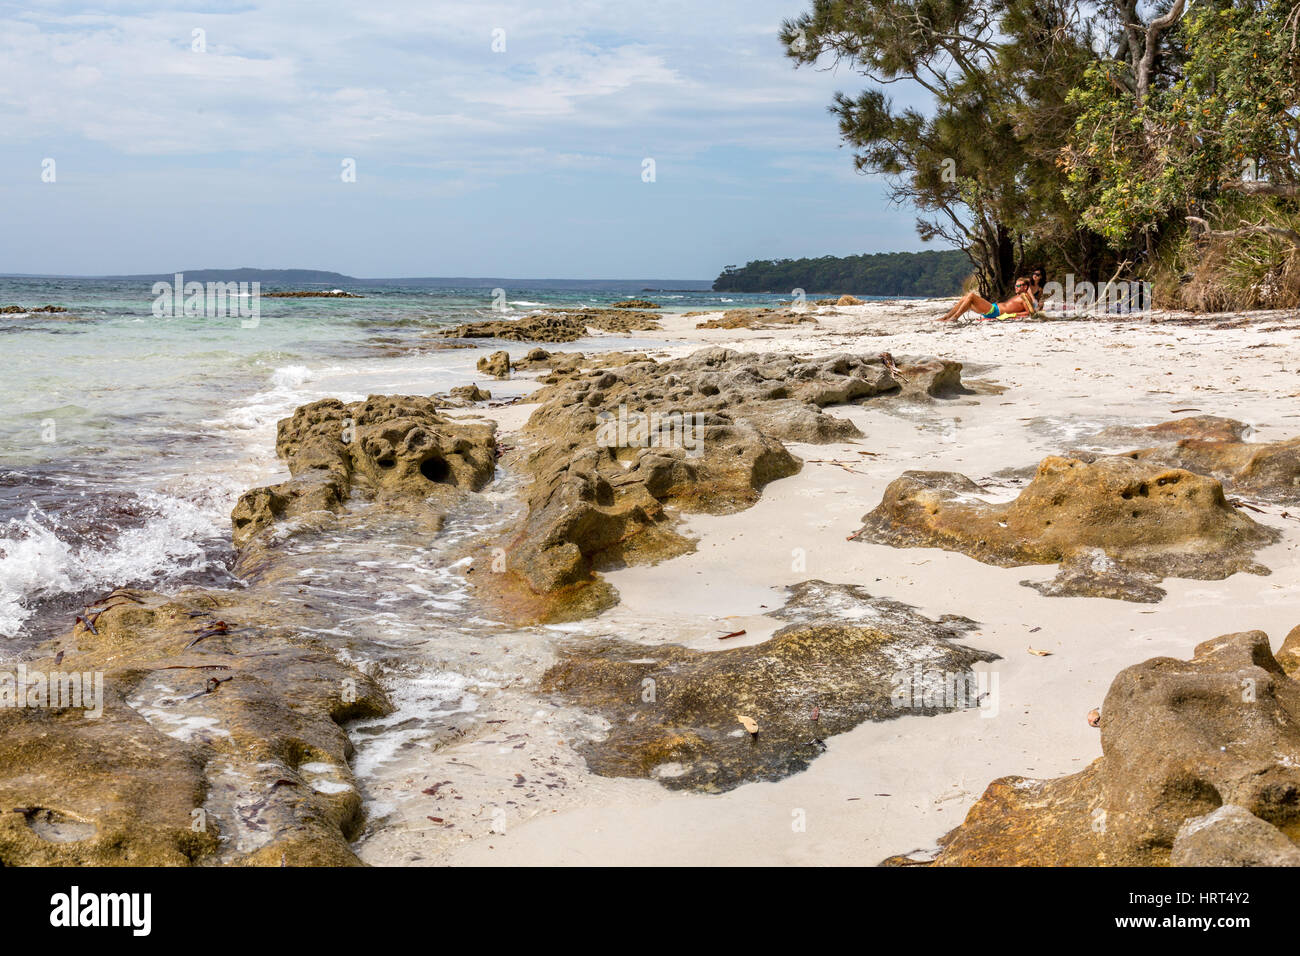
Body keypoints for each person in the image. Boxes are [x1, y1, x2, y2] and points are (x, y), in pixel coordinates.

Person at [938, 276, 1037, 322]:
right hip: (994, 309)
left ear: (1025, 287)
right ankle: (946, 317)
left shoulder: (1024, 297)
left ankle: (954, 317)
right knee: (965, 298)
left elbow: (1030, 312)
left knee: (971, 296)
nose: (1016, 287)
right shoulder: (1019, 296)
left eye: (1019, 285)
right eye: (1015, 285)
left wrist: (1011, 315)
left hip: (996, 311)